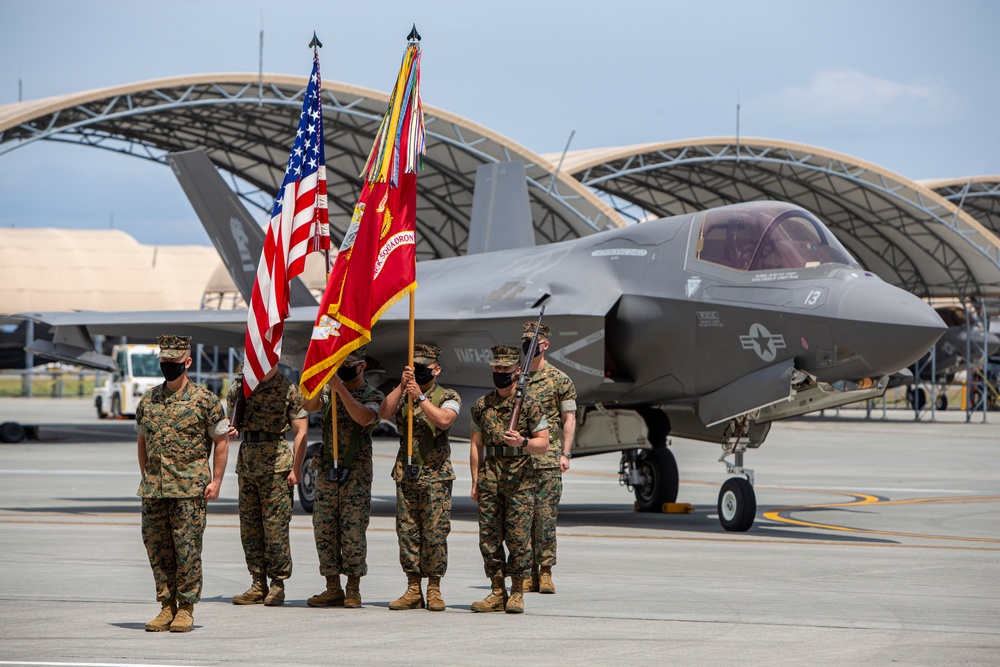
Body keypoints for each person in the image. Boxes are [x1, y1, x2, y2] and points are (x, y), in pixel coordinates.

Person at [135, 334, 229, 633]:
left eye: (173, 362)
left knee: (187, 551)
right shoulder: (149, 399)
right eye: (164, 362)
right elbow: (142, 441)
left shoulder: (205, 400)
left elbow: (222, 441)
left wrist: (216, 481)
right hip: (154, 489)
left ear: (187, 362)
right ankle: (166, 607)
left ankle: (186, 608)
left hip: (190, 490)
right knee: (158, 550)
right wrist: (146, 475)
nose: (168, 366)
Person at [379, 344, 461, 612]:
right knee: (408, 532)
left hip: (435, 475)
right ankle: (413, 587)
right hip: (407, 473)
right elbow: (384, 412)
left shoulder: (447, 395)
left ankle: (434, 587)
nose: (419, 373)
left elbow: (444, 420)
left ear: (436, 370)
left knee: (435, 534)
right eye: (415, 369)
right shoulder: (405, 394)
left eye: (424, 369)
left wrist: (422, 398)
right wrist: (402, 387)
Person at [302, 346, 384, 609]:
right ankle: (332, 586)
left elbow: (363, 417)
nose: (344, 369)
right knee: (324, 528)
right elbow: (309, 404)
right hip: (327, 470)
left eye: (349, 364)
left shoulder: (373, 394)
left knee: (353, 531)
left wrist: (341, 391)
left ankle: (353, 588)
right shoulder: (330, 391)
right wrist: (322, 381)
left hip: (356, 474)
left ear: (361, 366)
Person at [469, 344, 549, 614]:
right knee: (489, 539)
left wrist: (523, 441)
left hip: (519, 481)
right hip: (490, 479)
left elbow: (545, 444)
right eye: (496, 367)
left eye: (505, 368)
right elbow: (475, 445)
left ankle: (516, 591)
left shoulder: (530, 405)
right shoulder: (482, 405)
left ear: (517, 371)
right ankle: (496, 591)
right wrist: (475, 480)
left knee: (517, 538)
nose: (500, 371)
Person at [226, 365, 308, 606]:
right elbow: (229, 420)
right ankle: (257, 582)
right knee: (249, 527)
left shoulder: (288, 389)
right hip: (248, 462)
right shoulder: (240, 388)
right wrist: (228, 429)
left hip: (277, 465)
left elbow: (301, 431)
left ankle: (277, 584)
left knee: (275, 528)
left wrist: (296, 468)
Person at [520, 322, 577, 594]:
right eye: (525, 341)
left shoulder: (560, 380)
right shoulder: (516, 377)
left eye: (534, 341)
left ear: (545, 345)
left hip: (548, 459)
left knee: (545, 518)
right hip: (519, 458)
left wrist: (565, 453)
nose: (528, 346)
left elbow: (569, 418)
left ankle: (545, 572)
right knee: (522, 519)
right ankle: (527, 573)